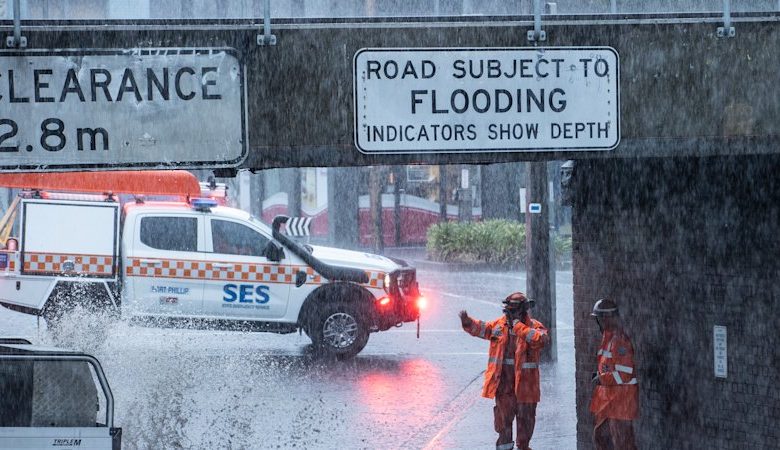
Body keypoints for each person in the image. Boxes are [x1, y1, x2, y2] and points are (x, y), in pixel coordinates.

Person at [459, 292, 549, 450]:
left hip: (526, 391)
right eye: (508, 311)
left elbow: (541, 340)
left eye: (513, 312)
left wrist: (518, 326)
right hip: (504, 389)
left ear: (522, 311)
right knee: (504, 428)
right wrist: (467, 322)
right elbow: (482, 328)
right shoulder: (499, 326)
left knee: (524, 434)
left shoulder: (534, 327)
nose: (509, 315)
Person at [589, 298, 639, 450]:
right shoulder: (609, 338)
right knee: (601, 438)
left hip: (621, 402)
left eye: (598, 318)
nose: (597, 321)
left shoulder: (619, 341)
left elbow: (624, 374)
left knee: (623, 444)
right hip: (611, 402)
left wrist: (601, 379)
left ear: (605, 319)